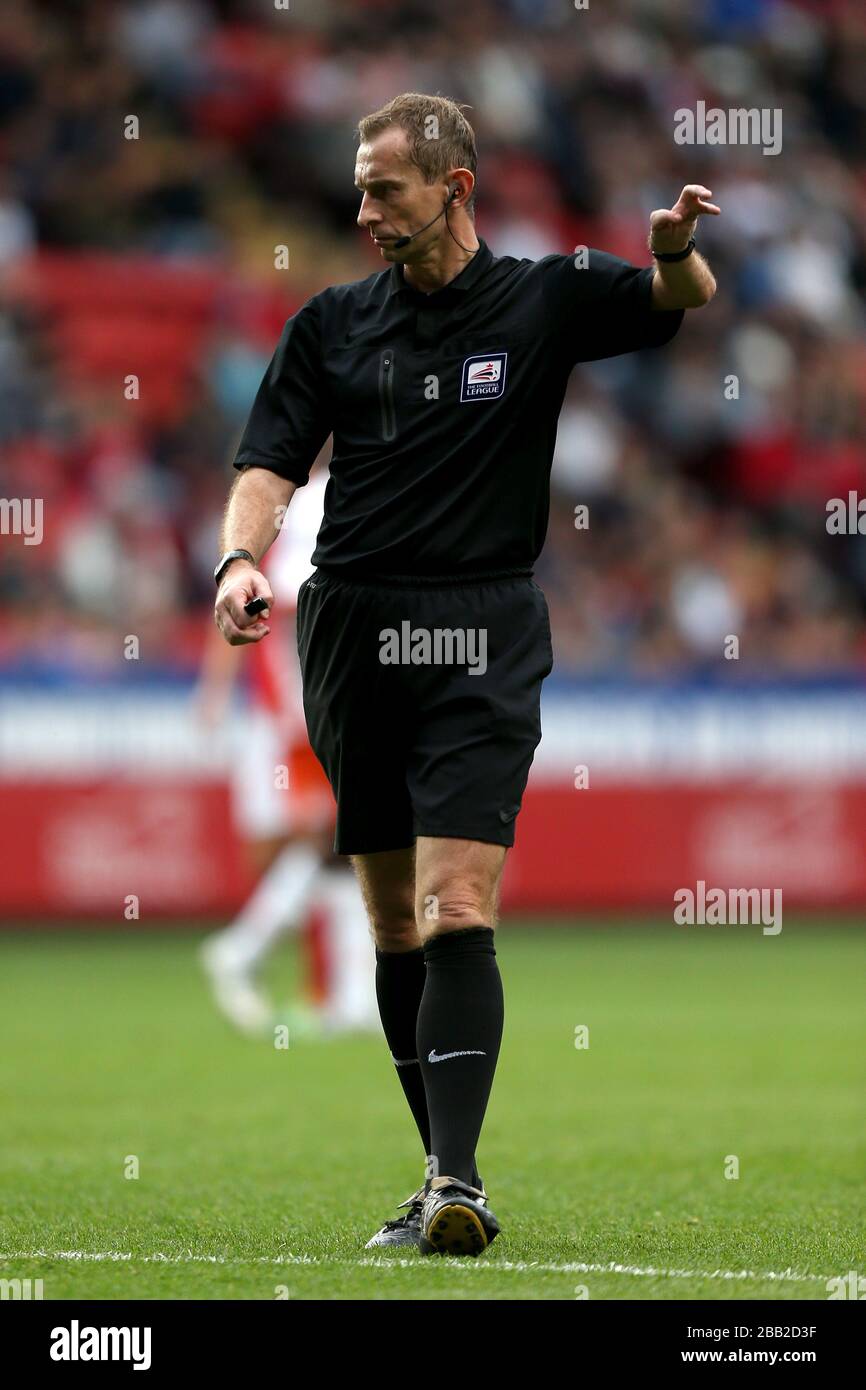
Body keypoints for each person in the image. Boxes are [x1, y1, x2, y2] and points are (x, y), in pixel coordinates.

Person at [211, 92, 718, 1255]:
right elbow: (266, 463)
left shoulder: (541, 297)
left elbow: (676, 300)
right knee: (391, 916)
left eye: (383, 189)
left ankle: (458, 1182)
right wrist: (242, 556)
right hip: (349, 628)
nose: (362, 210)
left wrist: (675, 250)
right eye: (357, 188)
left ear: (453, 187)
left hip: (480, 631)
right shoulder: (330, 322)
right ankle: (436, 1169)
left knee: (455, 900)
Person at [199, 468, 379, 1039]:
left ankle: (347, 998)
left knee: (340, 845)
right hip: (303, 713)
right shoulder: (315, 510)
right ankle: (244, 951)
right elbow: (278, 612)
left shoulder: (291, 503)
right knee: (337, 838)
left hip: (302, 708)